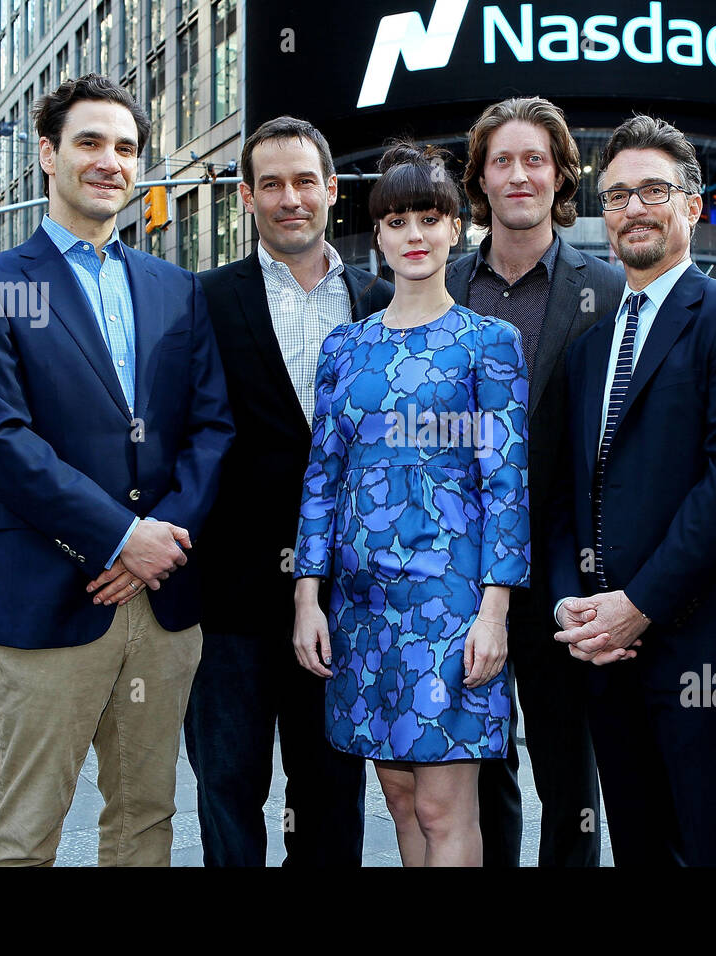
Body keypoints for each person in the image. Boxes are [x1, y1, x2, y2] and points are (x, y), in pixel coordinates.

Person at [0, 73, 233, 867]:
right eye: (90, 142)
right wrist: (118, 538)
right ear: (48, 153)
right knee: (24, 832)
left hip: (165, 601)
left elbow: (211, 427)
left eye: (127, 147)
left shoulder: (177, 288)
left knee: (146, 823)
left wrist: (160, 542)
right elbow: (1, 441)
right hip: (50, 596)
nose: (111, 160)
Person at [550, 115, 716, 866]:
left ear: (692, 205)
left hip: (707, 654)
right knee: (640, 850)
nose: (632, 208)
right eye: (616, 194)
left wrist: (639, 606)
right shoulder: (588, 349)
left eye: (653, 189)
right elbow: (564, 493)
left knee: (715, 850)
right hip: (605, 655)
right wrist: (570, 603)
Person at [293, 141, 531, 867]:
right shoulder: (345, 347)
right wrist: (308, 598)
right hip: (361, 605)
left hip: (451, 605)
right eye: (398, 221)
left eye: (431, 218)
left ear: (459, 227)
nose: (416, 235)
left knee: (440, 803)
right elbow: (322, 476)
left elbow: (507, 482)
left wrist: (495, 613)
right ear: (378, 234)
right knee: (397, 795)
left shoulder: (490, 342)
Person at [192, 116, 391, 867]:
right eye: (270, 184)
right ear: (246, 196)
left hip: (349, 601)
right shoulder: (202, 300)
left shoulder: (382, 304)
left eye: (305, 181)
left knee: (333, 795)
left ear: (332, 191)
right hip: (231, 601)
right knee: (228, 789)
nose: (290, 198)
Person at [445, 96, 622, 867]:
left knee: (569, 783)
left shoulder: (609, 290)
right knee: (480, 776)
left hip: (565, 571)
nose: (520, 175)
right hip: (457, 572)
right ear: (479, 178)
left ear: (560, 175)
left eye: (536, 160)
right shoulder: (436, 285)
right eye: (503, 161)